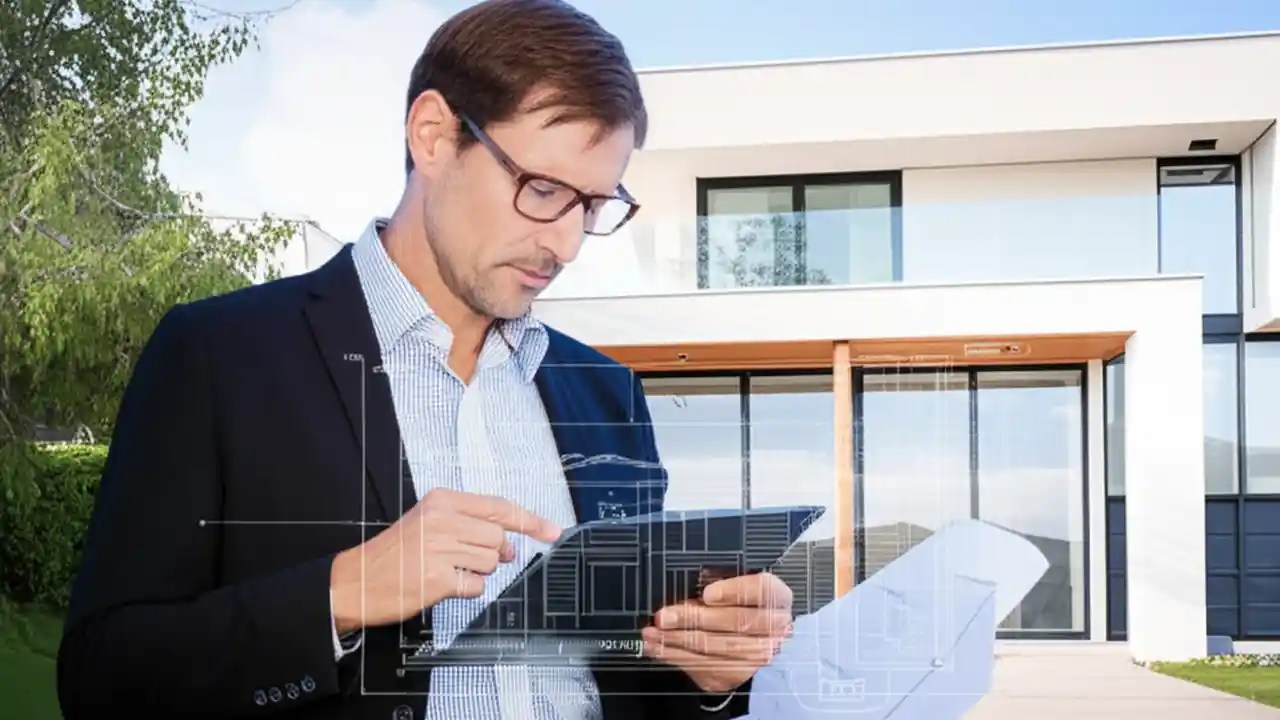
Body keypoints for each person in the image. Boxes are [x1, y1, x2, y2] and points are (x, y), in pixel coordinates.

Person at [55, 1, 794, 718]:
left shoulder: (607, 395)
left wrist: (709, 671)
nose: (565, 244)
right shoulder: (219, 357)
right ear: (433, 135)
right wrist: (339, 594)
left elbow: (632, 684)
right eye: (541, 190)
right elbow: (103, 676)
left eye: (593, 207)